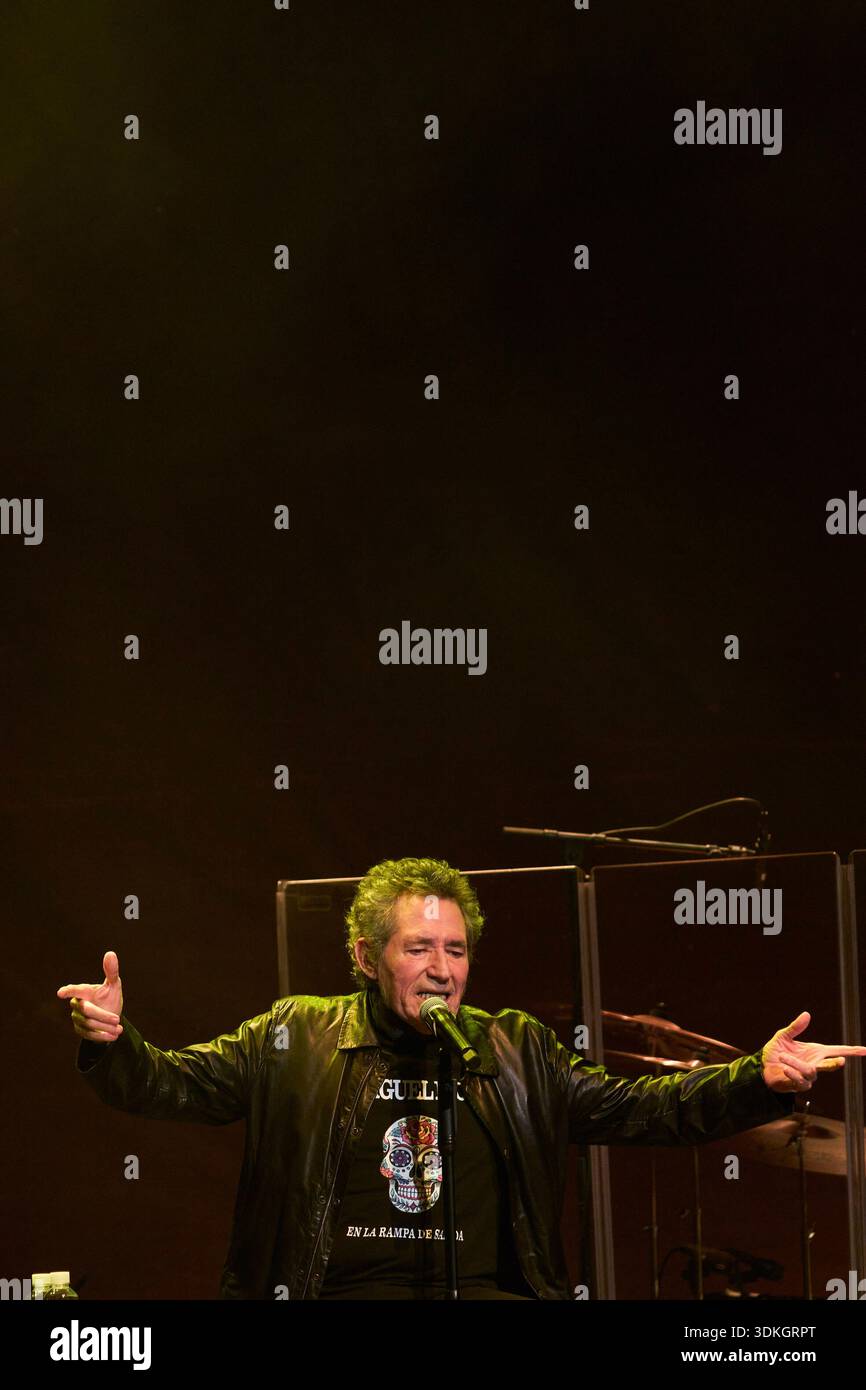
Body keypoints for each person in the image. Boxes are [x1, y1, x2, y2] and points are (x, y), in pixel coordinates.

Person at [57, 857, 866, 1300]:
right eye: (418, 949)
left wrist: (756, 1079)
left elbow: (647, 1109)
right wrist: (114, 1040)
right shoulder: (294, 1034)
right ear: (365, 957)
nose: (442, 970)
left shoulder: (515, 1050)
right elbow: (166, 1085)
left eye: (455, 951)